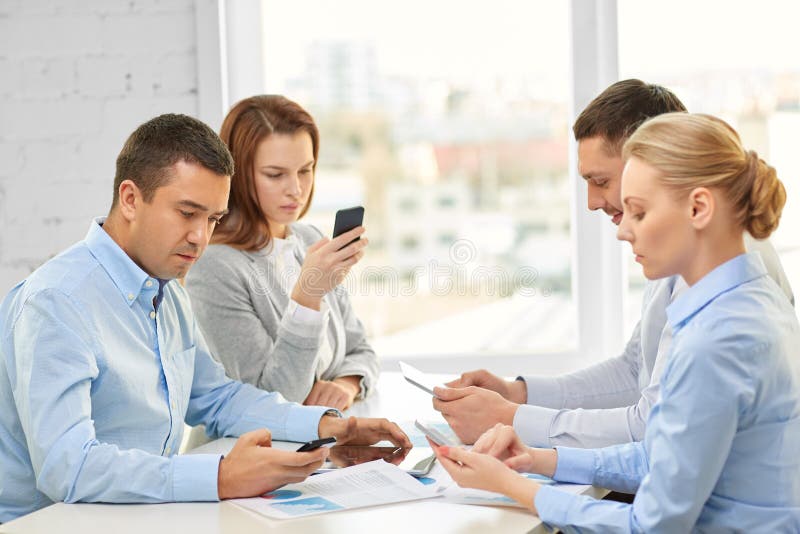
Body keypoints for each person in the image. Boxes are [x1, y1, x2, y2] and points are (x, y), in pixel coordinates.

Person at [0, 114, 410, 523]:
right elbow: (67, 468)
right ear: (130, 199)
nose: (201, 237)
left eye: (212, 219)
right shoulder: (56, 301)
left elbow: (217, 397)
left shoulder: (166, 290)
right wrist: (221, 476)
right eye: (187, 213)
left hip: (137, 515)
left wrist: (331, 426)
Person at [432, 112, 800, 531]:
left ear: (699, 207)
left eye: (638, 213)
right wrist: (535, 460)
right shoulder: (752, 301)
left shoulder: (714, 341)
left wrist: (517, 487)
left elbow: (651, 525)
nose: (623, 230)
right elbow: (660, 454)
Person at [185, 95, 377, 412]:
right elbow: (273, 397)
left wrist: (347, 384)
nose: (296, 189)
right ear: (240, 174)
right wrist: (308, 295)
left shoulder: (308, 240)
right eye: (275, 175)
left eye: (305, 170)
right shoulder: (214, 268)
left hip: (325, 440)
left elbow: (361, 349)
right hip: (252, 451)